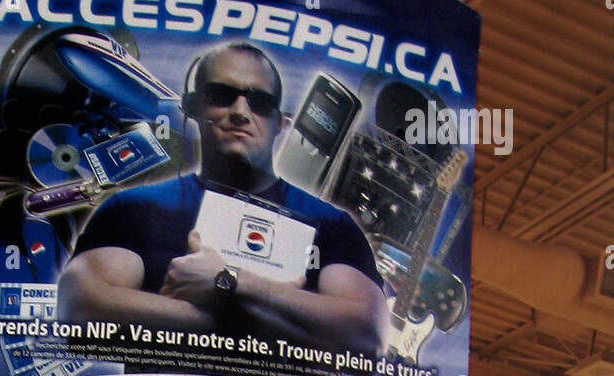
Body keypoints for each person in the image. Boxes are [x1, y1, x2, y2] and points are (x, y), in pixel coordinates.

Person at [57, 42, 388, 356]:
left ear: (280, 123)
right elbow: (79, 309)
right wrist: (260, 321)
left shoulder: (331, 225)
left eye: (260, 102)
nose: (241, 111)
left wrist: (227, 284)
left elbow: (366, 337)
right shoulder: (134, 209)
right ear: (192, 107)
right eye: (221, 96)